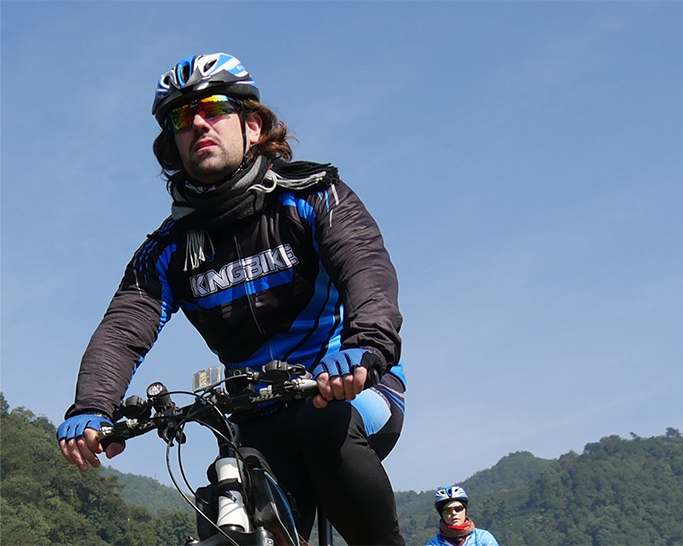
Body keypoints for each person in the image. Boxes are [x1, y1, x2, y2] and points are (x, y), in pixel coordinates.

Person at [56, 52, 406, 546]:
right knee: (229, 489)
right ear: (172, 145)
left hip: (348, 389)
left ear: (254, 125)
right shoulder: (167, 249)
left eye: (215, 108)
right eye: (182, 117)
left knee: (321, 424)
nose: (198, 123)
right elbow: (122, 330)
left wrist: (366, 344)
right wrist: (91, 407)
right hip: (256, 413)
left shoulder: (313, 196)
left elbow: (366, 268)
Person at [426, 486, 500, 546]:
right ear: (441, 514)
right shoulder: (434, 544)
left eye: (458, 508)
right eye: (448, 510)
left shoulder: (483, 538)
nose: (454, 513)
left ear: (465, 510)